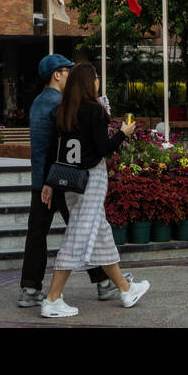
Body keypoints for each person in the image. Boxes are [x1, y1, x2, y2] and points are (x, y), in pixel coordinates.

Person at [39, 63, 149, 318]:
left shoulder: (63, 111)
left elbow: (53, 151)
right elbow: (103, 148)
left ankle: (125, 288)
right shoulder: (95, 111)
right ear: (89, 83)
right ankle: (52, 299)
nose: (98, 81)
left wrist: (48, 182)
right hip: (93, 178)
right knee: (77, 234)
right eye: (96, 78)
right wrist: (123, 133)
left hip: (70, 181)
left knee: (101, 233)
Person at [18, 56, 119, 308]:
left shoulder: (38, 103)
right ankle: (103, 283)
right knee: (83, 228)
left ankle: (30, 288)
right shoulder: (60, 104)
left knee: (38, 234)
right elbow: (64, 145)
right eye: (67, 71)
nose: (70, 76)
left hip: (42, 179)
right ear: (57, 75)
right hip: (62, 178)